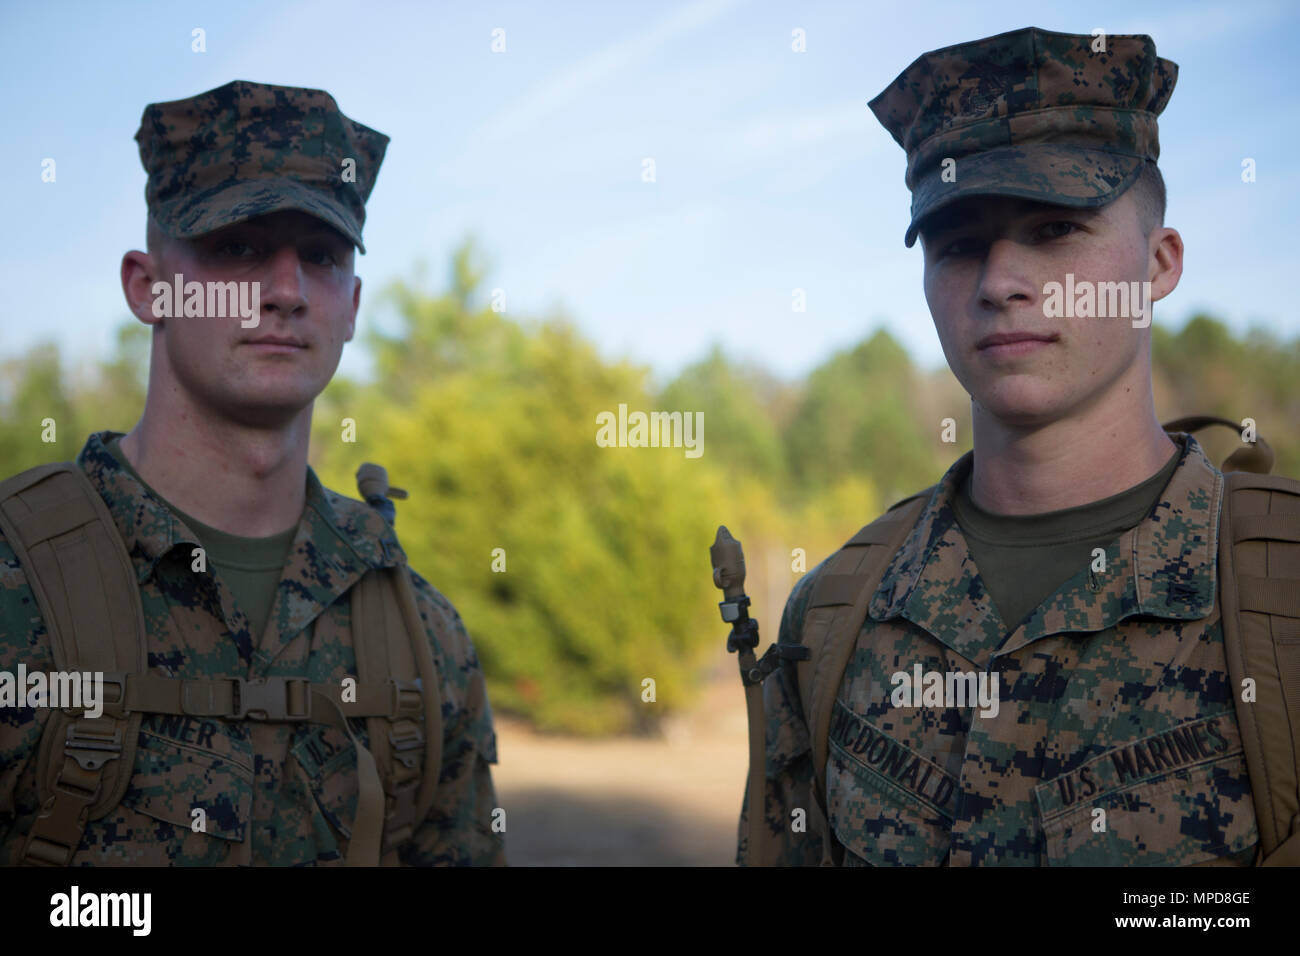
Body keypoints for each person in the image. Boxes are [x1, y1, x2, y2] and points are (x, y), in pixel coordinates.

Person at [738, 27, 1262, 866]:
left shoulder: (1277, 595)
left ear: (1160, 264)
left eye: (1056, 229)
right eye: (959, 244)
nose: (998, 280)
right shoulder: (838, 613)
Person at [0, 80, 505, 866]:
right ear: (147, 286)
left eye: (322, 256)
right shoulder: (16, 584)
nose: (283, 291)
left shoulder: (416, 636)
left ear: (353, 305)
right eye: (236, 247)